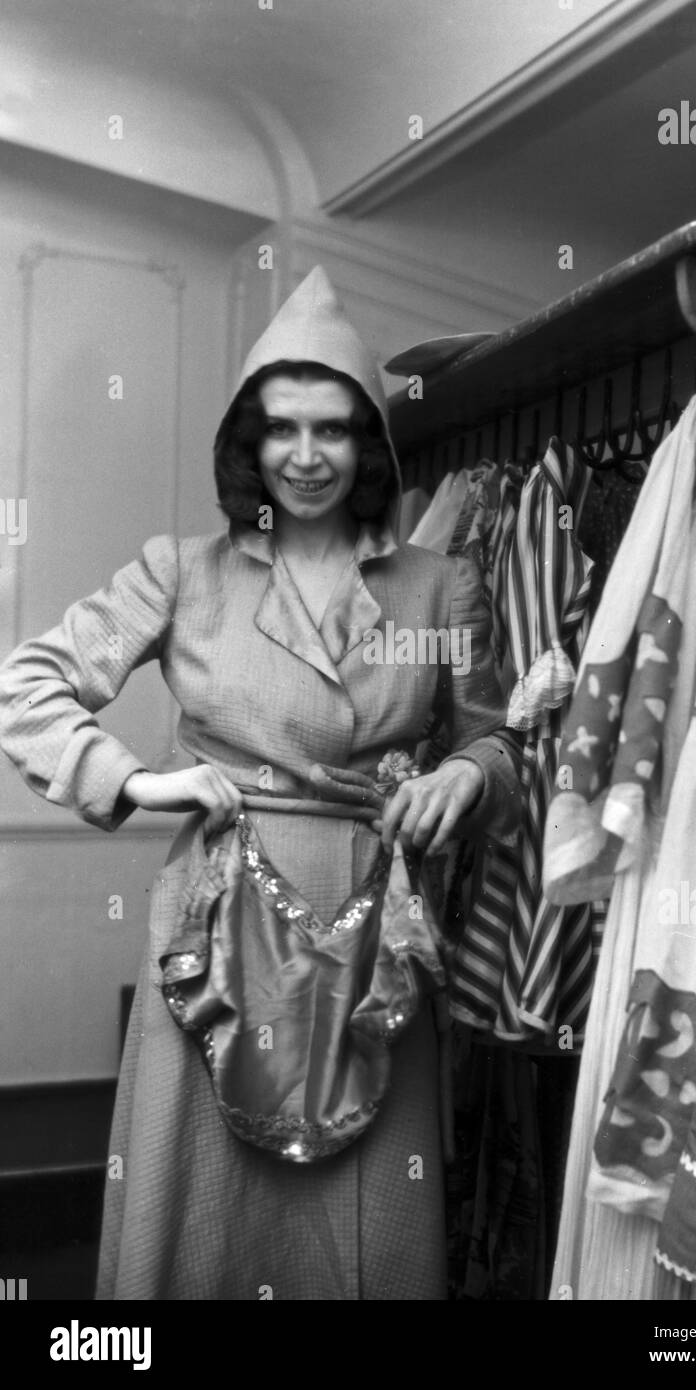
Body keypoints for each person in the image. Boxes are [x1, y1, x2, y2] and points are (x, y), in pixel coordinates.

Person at [0, 266, 521, 1300]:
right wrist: (134, 781)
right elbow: (27, 683)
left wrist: (465, 776)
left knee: (365, 1217)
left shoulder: (435, 581)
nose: (306, 455)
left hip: (379, 936)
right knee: (196, 1210)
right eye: (281, 429)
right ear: (250, 440)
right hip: (214, 926)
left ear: (369, 440)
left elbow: (501, 744)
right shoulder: (183, 571)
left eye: (333, 428)